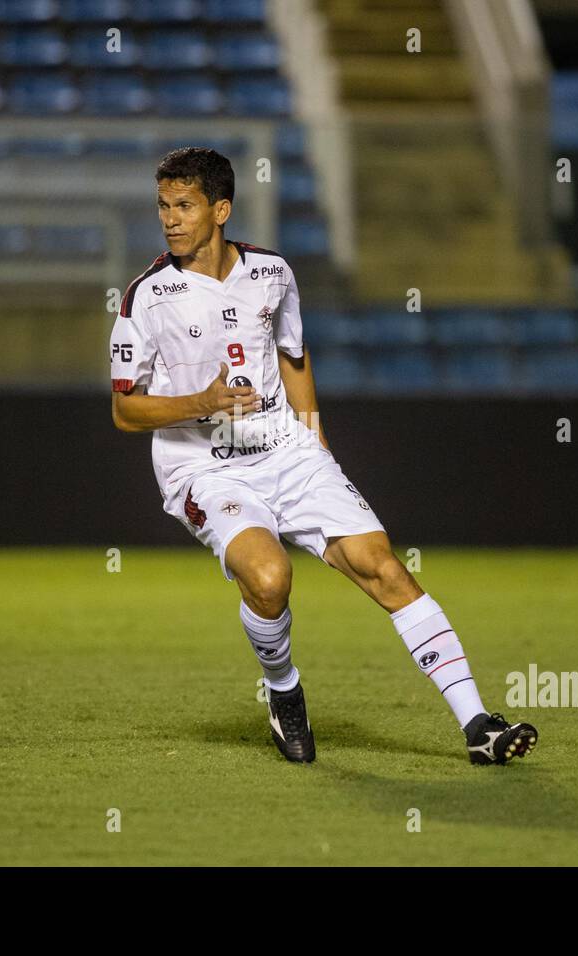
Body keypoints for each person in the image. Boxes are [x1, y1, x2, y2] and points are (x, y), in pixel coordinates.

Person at [109, 147, 537, 766]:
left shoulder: (272, 274)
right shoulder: (145, 297)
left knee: (381, 565)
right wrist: (201, 400)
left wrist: (316, 446)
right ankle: (284, 693)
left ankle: (479, 726)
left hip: (287, 451)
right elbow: (125, 411)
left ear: (220, 210)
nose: (170, 219)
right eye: (163, 207)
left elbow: (293, 356)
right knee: (269, 578)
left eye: (184, 206)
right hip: (203, 467)